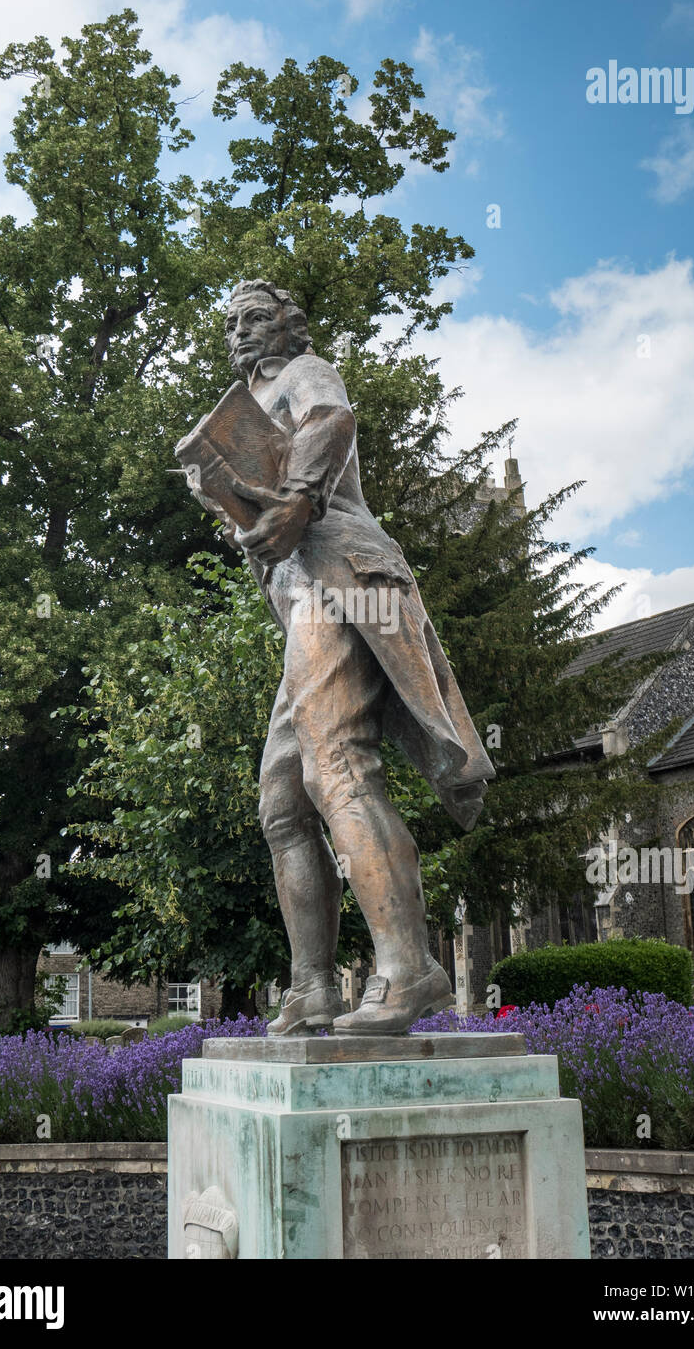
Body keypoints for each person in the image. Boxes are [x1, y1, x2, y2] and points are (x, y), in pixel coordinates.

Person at [180, 279, 494, 1034]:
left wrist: (297, 498)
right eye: (230, 325)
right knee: (282, 805)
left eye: (254, 319)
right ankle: (313, 986)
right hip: (301, 602)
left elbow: (331, 418)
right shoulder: (246, 406)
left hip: (344, 579)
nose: (239, 334)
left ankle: (406, 969)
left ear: (290, 328)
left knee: (337, 766)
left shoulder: (303, 374)